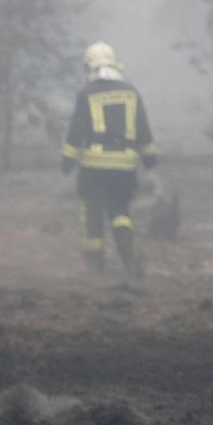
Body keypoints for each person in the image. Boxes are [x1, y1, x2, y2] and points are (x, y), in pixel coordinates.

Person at [60, 41, 158, 276]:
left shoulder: (87, 93)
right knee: (120, 210)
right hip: (124, 165)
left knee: (93, 213)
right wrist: (149, 156)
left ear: (90, 67)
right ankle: (126, 245)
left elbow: (77, 129)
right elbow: (143, 128)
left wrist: (67, 159)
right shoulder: (131, 92)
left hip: (94, 166)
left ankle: (95, 266)